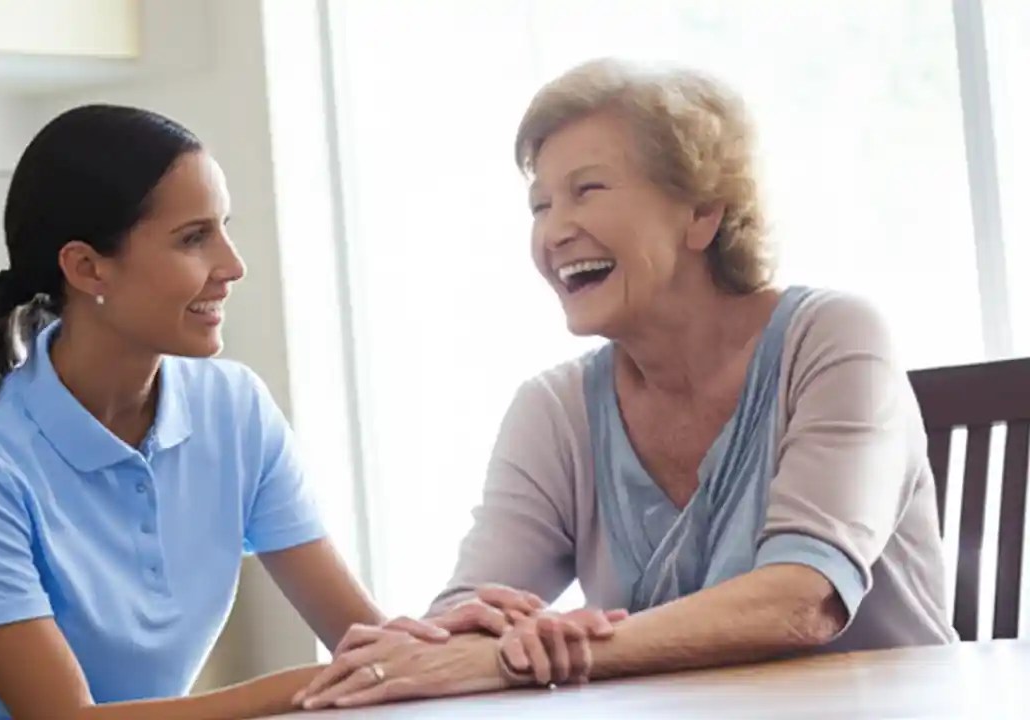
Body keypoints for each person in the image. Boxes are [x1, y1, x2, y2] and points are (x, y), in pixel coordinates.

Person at [295, 57, 957, 711]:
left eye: (588, 190)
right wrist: (475, 635)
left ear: (702, 213)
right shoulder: (554, 410)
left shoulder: (833, 338)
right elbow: (466, 615)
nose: (554, 232)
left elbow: (802, 600)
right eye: (540, 205)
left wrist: (547, 653)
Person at [0, 104, 475, 720]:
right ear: (87, 268)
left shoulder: (234, 409)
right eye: (194, 238)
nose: (233, 266)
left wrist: (467, 645)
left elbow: (362, 639)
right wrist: (318, 683)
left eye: (223, 228)